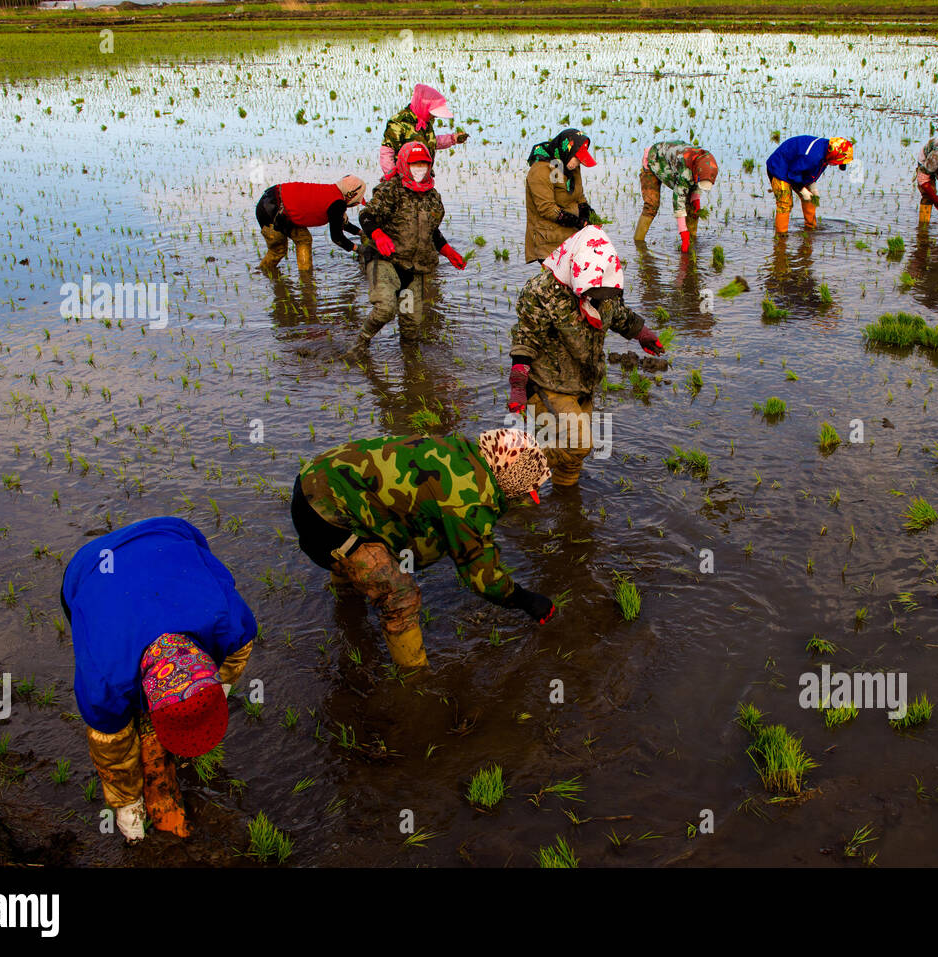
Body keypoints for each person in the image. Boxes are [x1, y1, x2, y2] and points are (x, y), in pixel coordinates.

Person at [60, 517, 256, 844]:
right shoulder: (104, 680)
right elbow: (111, 744)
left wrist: (209, 694)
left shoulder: (230, 623)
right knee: (122, 719)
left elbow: (236, 654)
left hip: (167, 535)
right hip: (89, 569)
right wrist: (126, 802)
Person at [291, 430, 556, 669]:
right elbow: (482, 578)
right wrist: (527, 600)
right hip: (321, 514)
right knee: (400, 595)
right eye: (523, 492)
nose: (522, 499)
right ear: (510, 478)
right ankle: (414, 682)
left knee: (370, 544)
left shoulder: (461, 452)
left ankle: (347, 603)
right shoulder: (469, 499)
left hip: (317, 476)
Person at [508, 225, 665, 486]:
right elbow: (526, 337)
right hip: (549, 385)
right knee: (579, 444)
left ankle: (564, 511)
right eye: (591, 293)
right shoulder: (542, 292)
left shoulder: (606, 284)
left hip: (584, 382)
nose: (597, 298)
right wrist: (518, 385)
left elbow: (618, 313)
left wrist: (641, 332)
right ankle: (511, 476)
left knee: (571, 463)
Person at [344, 142, 466, 363]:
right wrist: (378, 234)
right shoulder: (391, 190)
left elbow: (431, 230)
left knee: (411, 327)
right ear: (404, 165)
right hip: (385, 262)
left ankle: (411, 370)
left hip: (414, 268)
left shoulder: (432, 196)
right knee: (385, 309)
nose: (419, 169)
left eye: (424, 164)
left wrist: (447, 250)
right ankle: (360, 343)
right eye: (414, 164)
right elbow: (366, 216)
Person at [255, 176, 366, 273]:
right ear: (351, 195)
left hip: (276, 201)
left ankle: (305, 277)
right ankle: (263, 273)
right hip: (271, 210)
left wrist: (361, 233)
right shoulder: (337, 203)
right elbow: (337, 237)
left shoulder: (333, 194)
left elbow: (341, 223)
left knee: (304, 239)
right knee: (278, 249)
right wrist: (359, 249)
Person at [524, 128, 598, 264]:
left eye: (580, 160)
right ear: (566, 150)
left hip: (570, 236)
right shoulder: (541, 170)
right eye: (576, 158)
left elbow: (579, 197)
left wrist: (587, 213)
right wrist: (577, 222)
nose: (577, 163)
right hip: (548, 239)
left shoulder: (570, 166)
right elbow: (547, 208)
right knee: (558, 282)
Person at [633, 141, 718, 253]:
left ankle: (691, 242)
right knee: (651, 205)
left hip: (673, 165)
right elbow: (678, 201)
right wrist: (683, 233)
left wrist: (696, 200)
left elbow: (697, 181)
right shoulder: (685, 171)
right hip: (653, 160)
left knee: (692, 207)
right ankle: (638, 244)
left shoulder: (708, 165)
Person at [765, 135, 854, 233]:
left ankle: (810, 228)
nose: (837, 164)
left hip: (797, 167)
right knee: (785, 203)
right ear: (833, 154)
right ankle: (781, 237)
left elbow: (811, 170)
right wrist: (803, 191)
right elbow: (793, 175)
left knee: (810, 199)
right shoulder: (813, 155)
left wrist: (812, 186)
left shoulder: (827, 152)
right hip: (779, 167)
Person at [379, 83, 469, 176]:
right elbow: (387, 152)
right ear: (424, 107)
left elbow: (430, 142)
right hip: (404, 179)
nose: (435, 116)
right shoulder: (399, 123)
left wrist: (452, 139)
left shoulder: (425, 121)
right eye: (433, 113)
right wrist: (392, 176)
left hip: (422, 177)